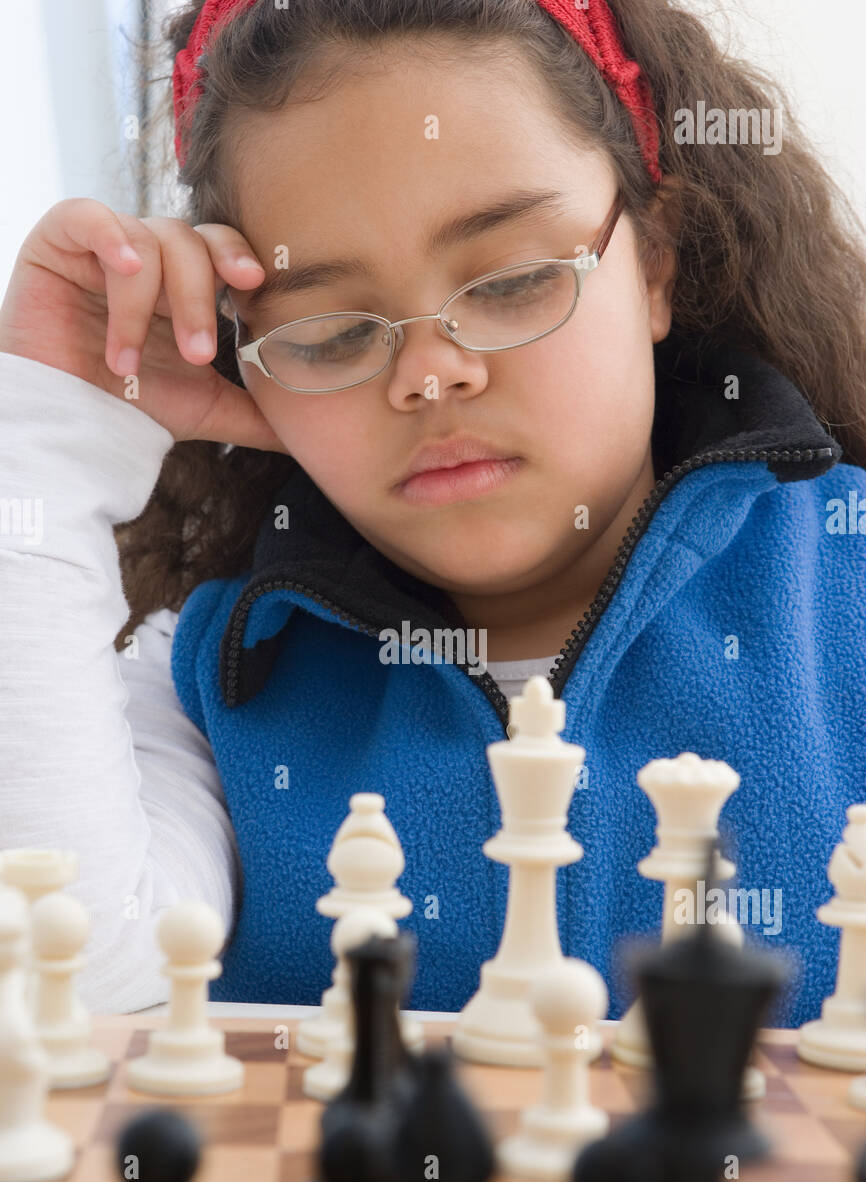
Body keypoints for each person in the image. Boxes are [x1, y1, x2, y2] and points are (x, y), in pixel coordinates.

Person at [0, 0, 864, 1025]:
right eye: (327, 333)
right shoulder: (207, 675)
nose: (426, 376)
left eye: (510, 279)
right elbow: (67, 971)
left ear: (653, 265)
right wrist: (48, 426)